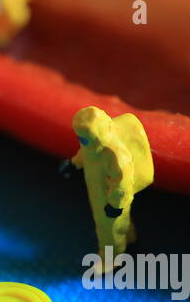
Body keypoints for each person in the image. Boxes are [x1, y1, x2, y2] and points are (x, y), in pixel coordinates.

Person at [61, 106, 154, 267]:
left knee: (108, 229)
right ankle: (129, 236)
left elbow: (122, 185)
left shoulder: (115, 156)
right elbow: (86, 152)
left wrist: (115, 205)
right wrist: (74, 163)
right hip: (99, 190)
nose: (83, 141)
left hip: (109, 198)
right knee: (120, 223)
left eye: (85, 138)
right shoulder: (93, 145)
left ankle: (111, 258)